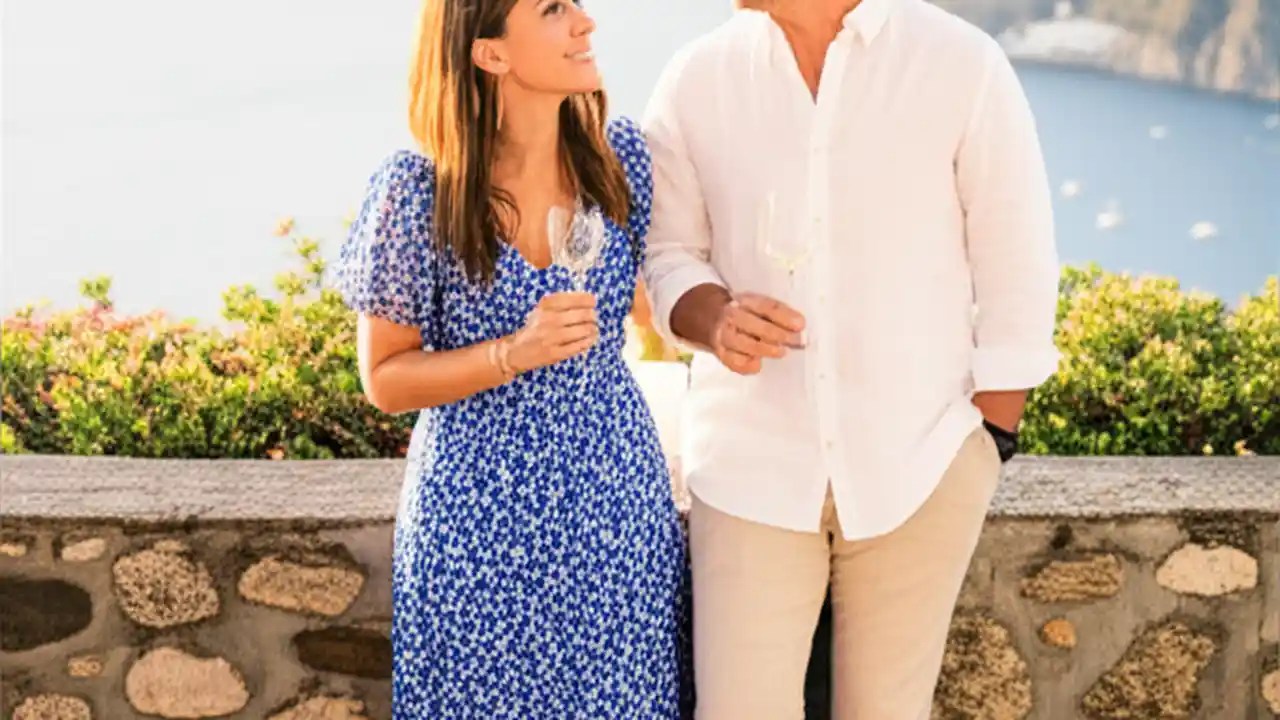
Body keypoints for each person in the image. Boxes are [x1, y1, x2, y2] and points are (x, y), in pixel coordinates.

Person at [642, 0, 1060, 717]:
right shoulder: (697, 78)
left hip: (922, 463)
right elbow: (668, 253)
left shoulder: (960, 63)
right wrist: (714, 318)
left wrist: (988, 439)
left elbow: (1016, 258)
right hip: (748, 467)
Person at [334, 1, 690, 716]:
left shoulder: (620, 162)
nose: (585, 23)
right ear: (490, 52)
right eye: (554, 9)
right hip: (474, 532)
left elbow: (659, 307)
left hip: (615, 517)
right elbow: (385, 379)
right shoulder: (420, 192)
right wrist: (511, 353)